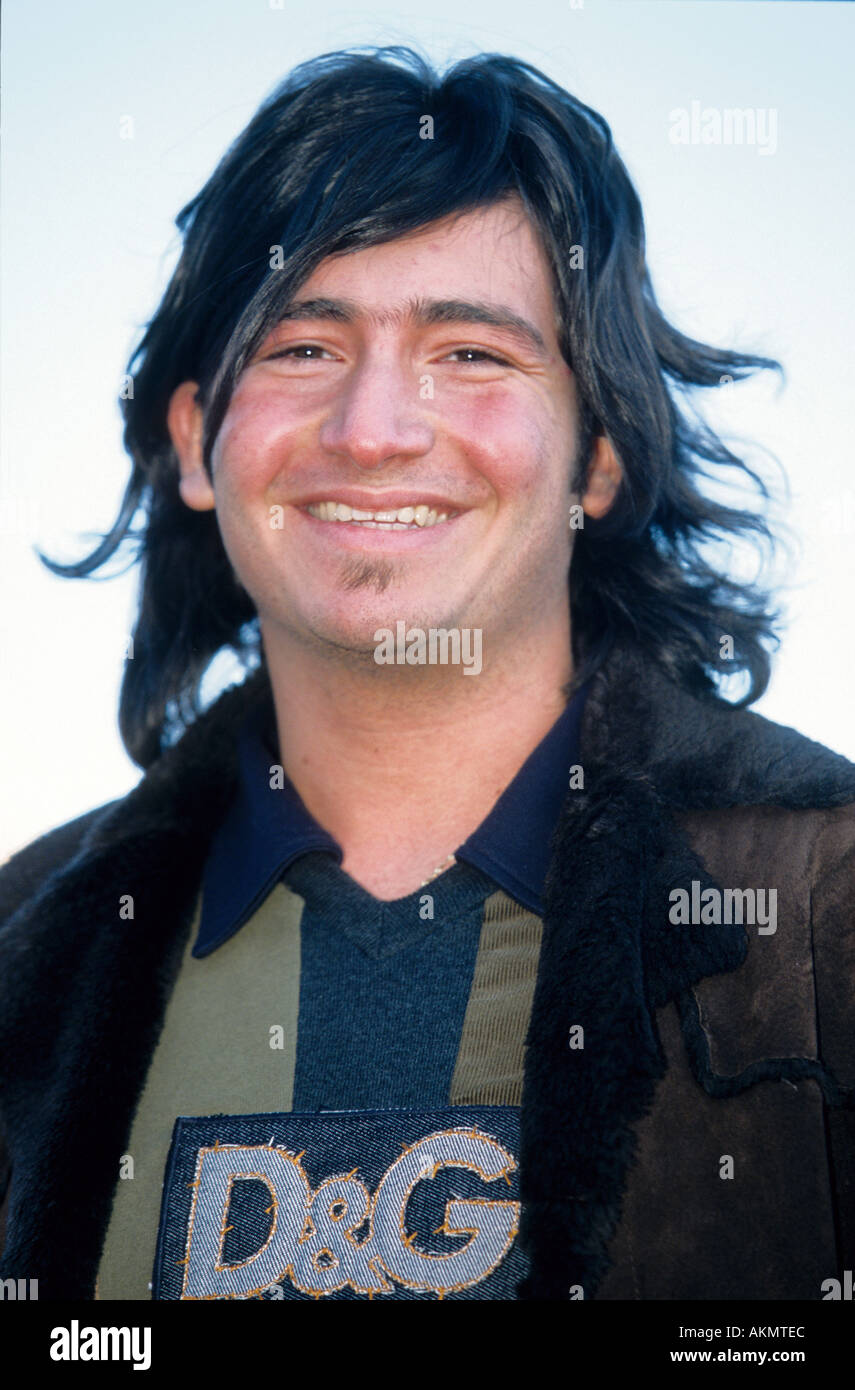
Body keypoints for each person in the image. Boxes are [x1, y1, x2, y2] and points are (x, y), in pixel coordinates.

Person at [0, 46, 852, 1304]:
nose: (374, 427)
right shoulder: (29, 949)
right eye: (300, 346)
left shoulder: (826, 908)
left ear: (597, 461)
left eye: (473, 353)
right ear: (194, 442)